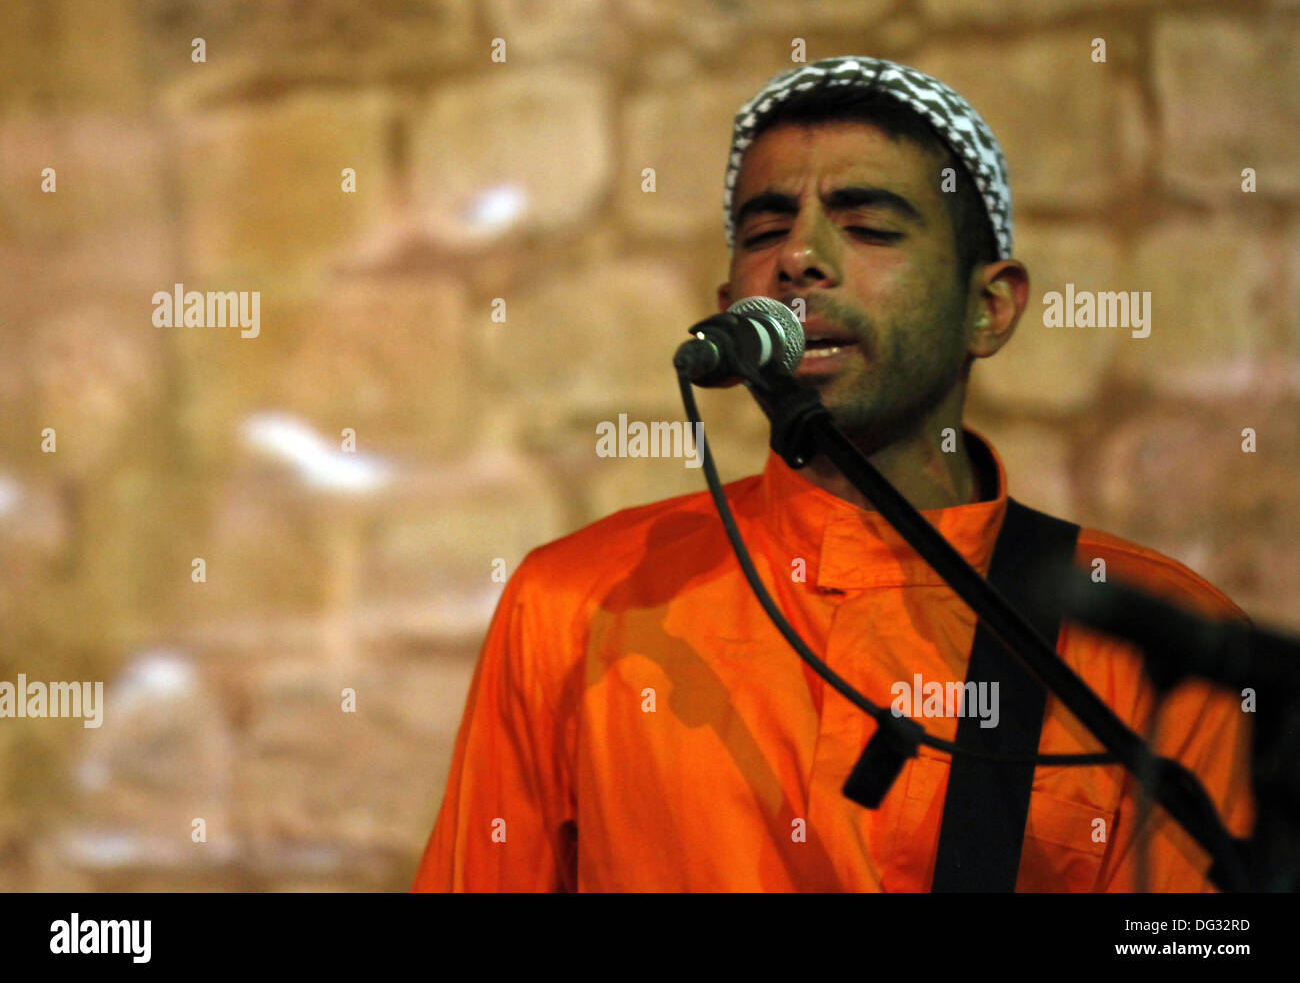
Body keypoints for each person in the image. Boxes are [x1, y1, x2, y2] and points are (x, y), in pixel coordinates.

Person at [411, 56, 1253, 892]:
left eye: (870, 227)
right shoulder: (575, 602)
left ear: (988, 308)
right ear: (729, 299)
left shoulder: (1158, 650)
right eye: (765, 231)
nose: (799, 259)